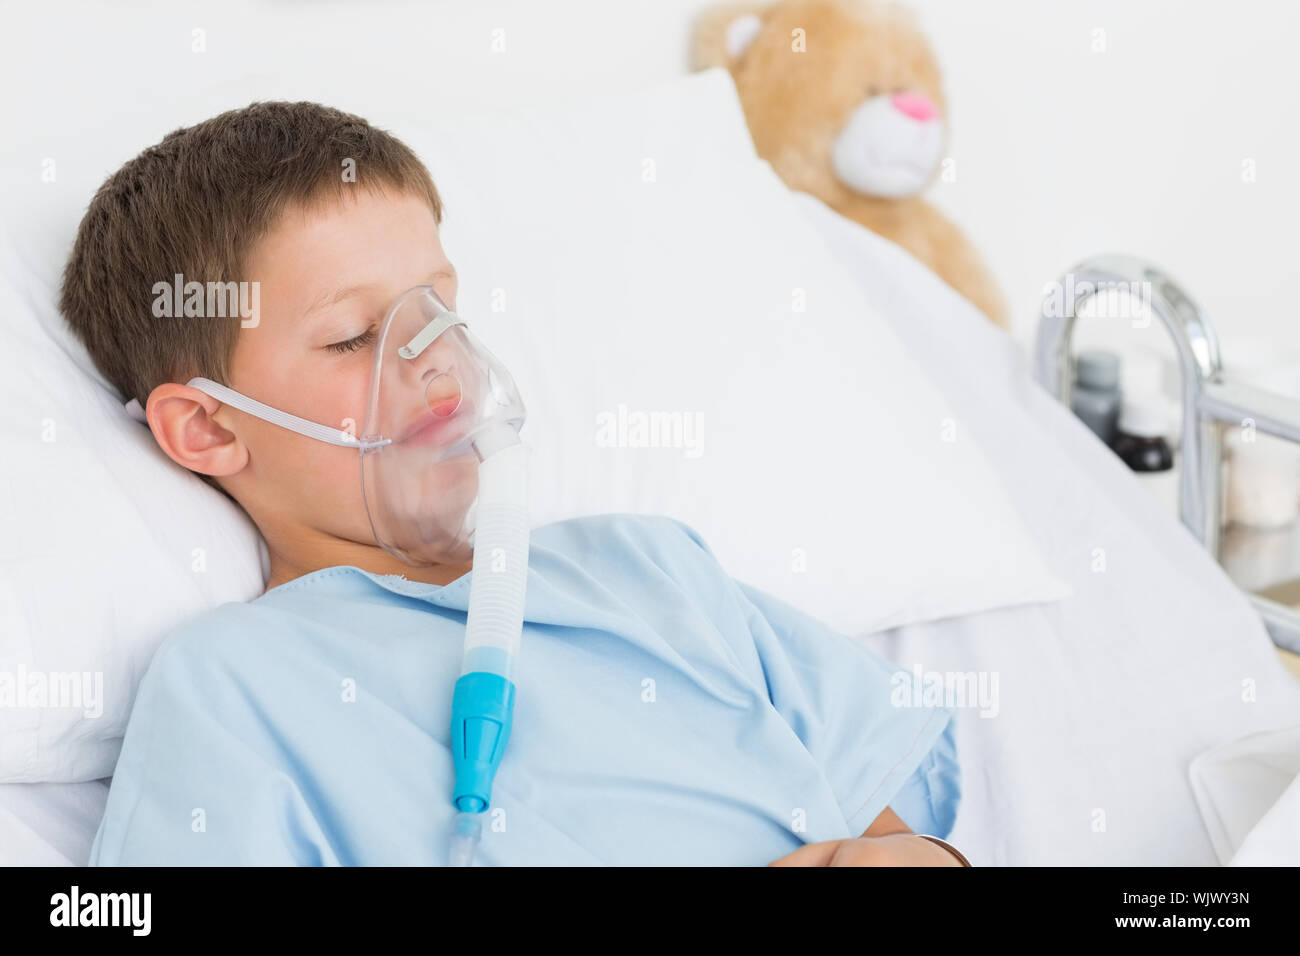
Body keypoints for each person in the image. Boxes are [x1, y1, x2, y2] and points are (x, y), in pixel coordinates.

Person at [61, 101, 965, 866]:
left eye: (438, 308)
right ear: (210, 427)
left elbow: (898, 833)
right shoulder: (232, 689)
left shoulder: (651, 572)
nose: (438, 362)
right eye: (351, 336)